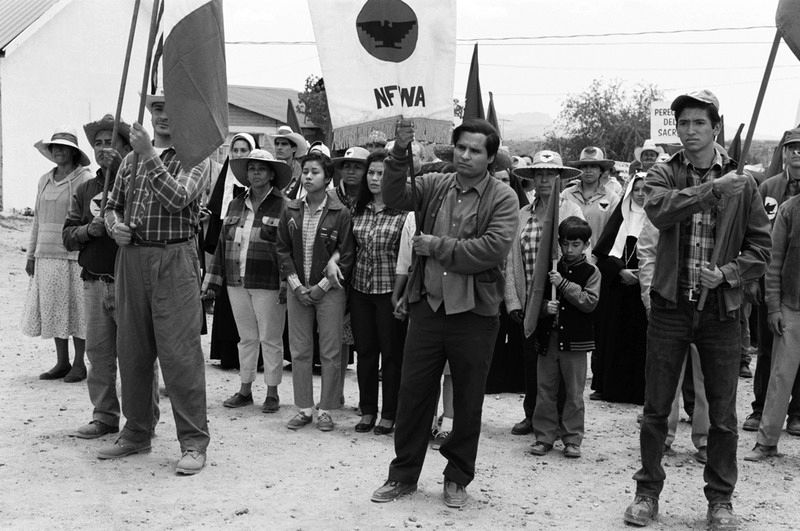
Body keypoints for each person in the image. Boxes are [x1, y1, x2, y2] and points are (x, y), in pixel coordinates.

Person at [623, 89, 771, 529]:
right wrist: (711, 190)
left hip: (720, 313)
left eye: (699, 124)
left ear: (715, 128)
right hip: (671, 306)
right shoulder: (662, 172)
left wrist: (727, 274)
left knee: (723, 415)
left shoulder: (744, 182)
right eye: (683, 123)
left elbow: (761, 249)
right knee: (655, 408)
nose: (689, 132)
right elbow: (661, 212)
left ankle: (720, 500)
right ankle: (646, 492)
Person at [371, 118, 519, 509]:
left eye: (476, 150)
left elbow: (491, 249)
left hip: (475, 313)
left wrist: (436, 245)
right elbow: (394, 194)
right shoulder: (435, 184)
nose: (466, 156)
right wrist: (400, 152)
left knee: (468, 401)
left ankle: (457, 477)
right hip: (429, 309)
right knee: (413, 394)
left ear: (490, 157)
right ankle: (402, 475)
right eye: (461, 148)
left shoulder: (503, 197)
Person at [98, 91, 211, 475]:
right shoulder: (129, 159)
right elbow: (110, 205)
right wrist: (116, 229)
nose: (163, 116)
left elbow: (179, 198)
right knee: (132, 349)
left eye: (172, 109)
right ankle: (137, 431)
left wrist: (148, 155)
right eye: (158, 109)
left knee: (180, 354)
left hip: (175, 258)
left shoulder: (197, 157)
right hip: (132, 258)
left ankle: (194, 442)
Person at [63, 114, 160, 438]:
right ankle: (104, 416)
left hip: (128, 281)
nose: (104, 149)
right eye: (99, 144)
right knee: (99, 354)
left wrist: (121, 170)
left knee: (137, 354)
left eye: (111, 143)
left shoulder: (138, 181)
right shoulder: (85, 187)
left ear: (124, 147)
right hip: (93, 279)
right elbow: (67, 235)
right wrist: (86, 231)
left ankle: (144, 419)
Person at [202, 149, 291, 412]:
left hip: (269, 281)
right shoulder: (235, 204)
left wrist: (287, 282)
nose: (255, 173)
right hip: (235, 278)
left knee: (271, 338)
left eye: (261, 169)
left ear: (272, 174)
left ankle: (272, 392)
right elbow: (221, 245)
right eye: (251, 168)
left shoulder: (284, 205)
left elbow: (287, 248)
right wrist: (212, 282)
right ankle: (245, 389)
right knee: (246, 337)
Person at [504, 150, 583, 435]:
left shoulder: (571, 211)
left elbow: (582, 254)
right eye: (539, 174)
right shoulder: (523, 214)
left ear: (560, 178)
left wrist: (570, 293)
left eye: (551, 174)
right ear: (532, 178)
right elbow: (511, 259)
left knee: (560, 362)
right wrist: (513, 299)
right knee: (531, 359)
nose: (545, 179)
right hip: (530, 297)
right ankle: (533, 414)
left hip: (560, 298)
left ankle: (562, 419)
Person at [276, 150, 354, 432]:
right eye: (305, 171)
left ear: (327, 178)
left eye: (315, 172)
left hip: (329, 291)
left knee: (331, 352)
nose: (308, 176)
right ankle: (304, 408)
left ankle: (327, 409)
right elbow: (282, 249)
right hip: (298, 289)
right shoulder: (291, 208)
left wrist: (321, 288)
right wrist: (296, 286)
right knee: (299, 350)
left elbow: (346, 255)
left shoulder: (340, 212)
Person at [22, 127, 93, 382]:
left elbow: (87, 215)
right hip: (46, 253)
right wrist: (31, 254)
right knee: (54, 309)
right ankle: (61, 362)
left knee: (76, 309)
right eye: (55, 147)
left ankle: (79, 364)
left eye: (64, 147)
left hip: (73, 254)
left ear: (74, 152)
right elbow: (38, 219)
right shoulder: (44, 179)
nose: (59, 151)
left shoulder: (84, 178)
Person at [742, 127, 800, 435]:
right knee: (766, 349)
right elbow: (754, 235)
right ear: (784, 153)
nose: (796, 153)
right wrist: (752, 278)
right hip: (770, 280)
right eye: (791, 147)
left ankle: (796, 413)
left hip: (798, 285)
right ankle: (760, 407)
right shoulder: (769, 187)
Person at [528, 217, 599, 458]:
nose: (569, 250)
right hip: (549, 338)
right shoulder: (550, 268)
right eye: (565, 244)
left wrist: (564, 284)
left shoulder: (591, 271)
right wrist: (545, 307)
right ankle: (544, 436)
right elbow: (534, 300)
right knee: (545, 389)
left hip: (576, 342)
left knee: (574, 392)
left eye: (576, 244)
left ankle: (572, 438)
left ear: (586, 245)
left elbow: (590, 302)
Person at [349, 150, 407, 434]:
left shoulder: (404, 214)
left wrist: (403, 295)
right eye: (371, 173)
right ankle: (367, 410)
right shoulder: (356, 209)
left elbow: (408, 259)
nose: (374, 178)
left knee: (392, 355)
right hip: (360, 290)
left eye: (381, 173)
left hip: (389, 292)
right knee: (366, 353)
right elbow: (348, 249)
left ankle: (390, 413)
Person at [591, 173, 648, 405]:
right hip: (617, 289)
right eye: (637, 190)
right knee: (611, 336)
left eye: (647, 189)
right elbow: (602, 254)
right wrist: (620, 271)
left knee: (641, 341)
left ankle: (639, 392)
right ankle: (608, 387)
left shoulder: (657, 220)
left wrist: (642, 276)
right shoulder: (621, 218)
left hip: (643, 290)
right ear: (630, 192)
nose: (642, 194)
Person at [204, 132, 257, 370]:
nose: (238, 155)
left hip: (252, 259)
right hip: (227, 259)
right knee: (227, 306)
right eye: (234, 150)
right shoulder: (224, 187)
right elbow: (214, 228)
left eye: (243, 151)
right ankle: (227, 354)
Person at [564, 146, 620, 251]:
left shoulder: (612, 199)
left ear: (601, 171)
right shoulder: (566, 195)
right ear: (579, 170)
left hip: (598, 260)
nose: (588, 170)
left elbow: (614, 232)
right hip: (568, 257)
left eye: (593, 166)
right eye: (584, 166)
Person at [274, 126, 309, 200]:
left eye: (284, 144)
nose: (279, 147)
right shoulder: (269, 168)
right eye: (277, 144)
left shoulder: (302, 172)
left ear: (294, 148)